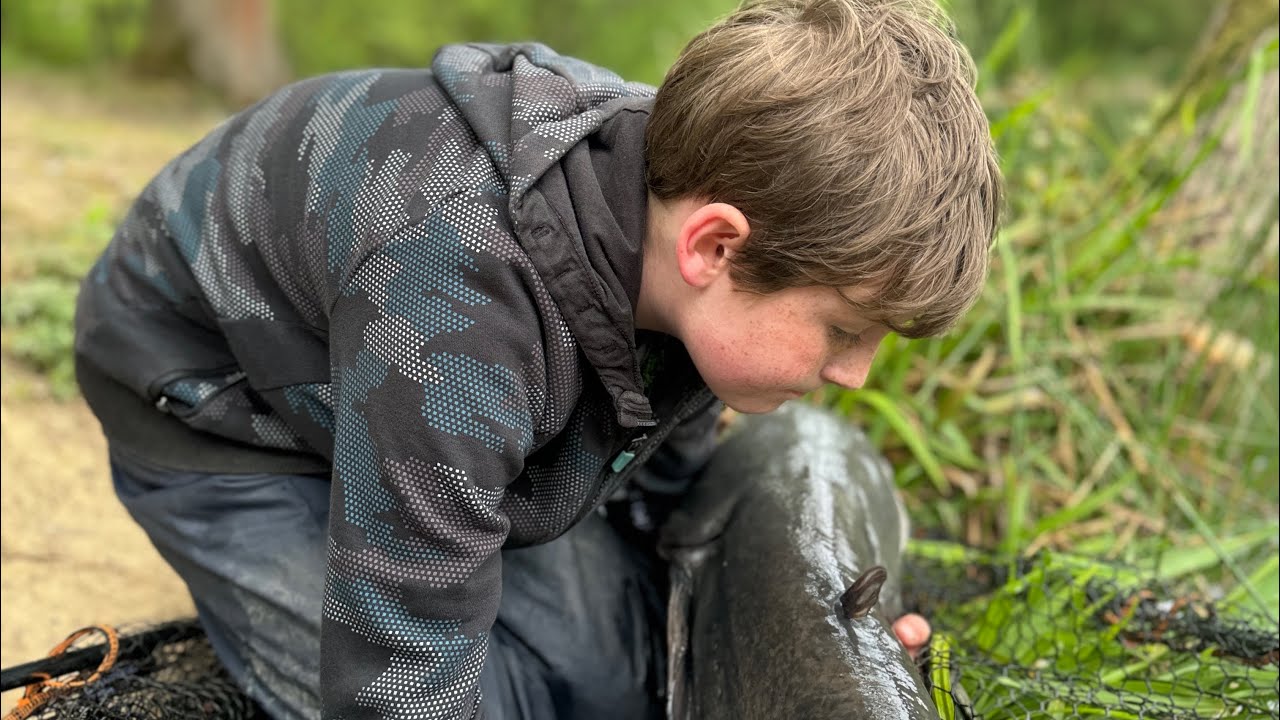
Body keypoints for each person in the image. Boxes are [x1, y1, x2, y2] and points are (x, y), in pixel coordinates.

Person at [73, 0, 1000, 717]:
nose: (855, 374)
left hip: (399, 398)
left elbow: (664, 480)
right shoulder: (460, 301)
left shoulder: (673, 230)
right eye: (844, 330)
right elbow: (402, 674)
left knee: (608, 680)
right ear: (715, 248)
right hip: (221, 407)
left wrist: (825, 658)